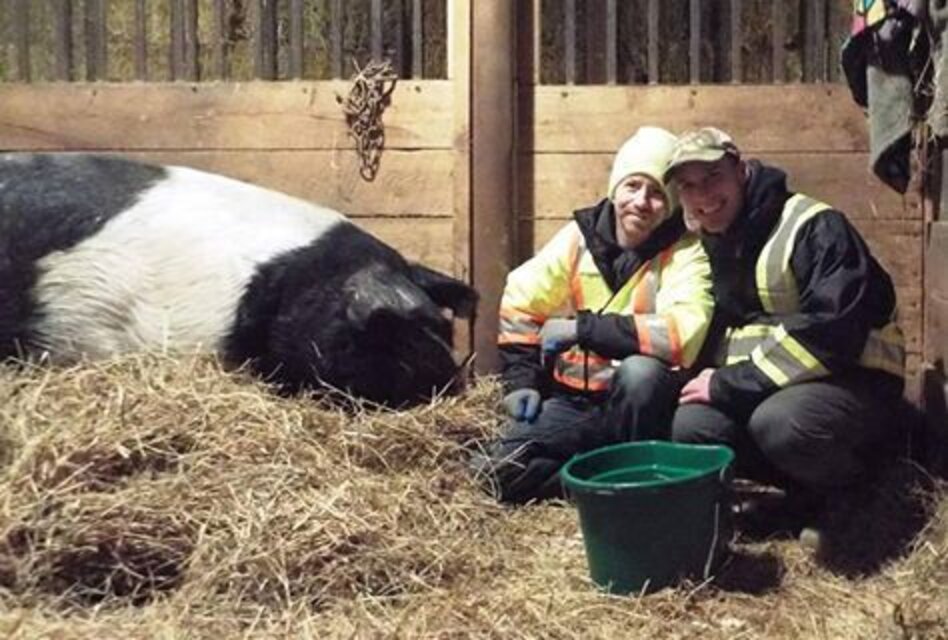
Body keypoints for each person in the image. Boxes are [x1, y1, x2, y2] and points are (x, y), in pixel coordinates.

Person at [664, 127, 906, 532]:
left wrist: (728, 384)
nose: (702, 195)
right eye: (688, 186)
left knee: (781, 424)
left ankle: (859, 494)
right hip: (782, 383)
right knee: (692, 425)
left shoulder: (813, 226)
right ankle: (800, 500)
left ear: (741, 170)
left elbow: (833, 334)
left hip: (854, 380)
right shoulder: (712, 241)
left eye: (713, 177)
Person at [473, 126, 714, 504]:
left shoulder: (686, 253)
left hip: (643, 408)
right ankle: (592, 484)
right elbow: (521, 301)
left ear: (670, 205)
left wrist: (582, 329)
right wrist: (521, 379)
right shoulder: (578, 238)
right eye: (632, 185)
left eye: (656, 193)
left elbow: (683, 333)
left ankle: (631, 484)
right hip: (575, 403)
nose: (641, 202)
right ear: (615, 188)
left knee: (640, 373)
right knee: (488, 471)